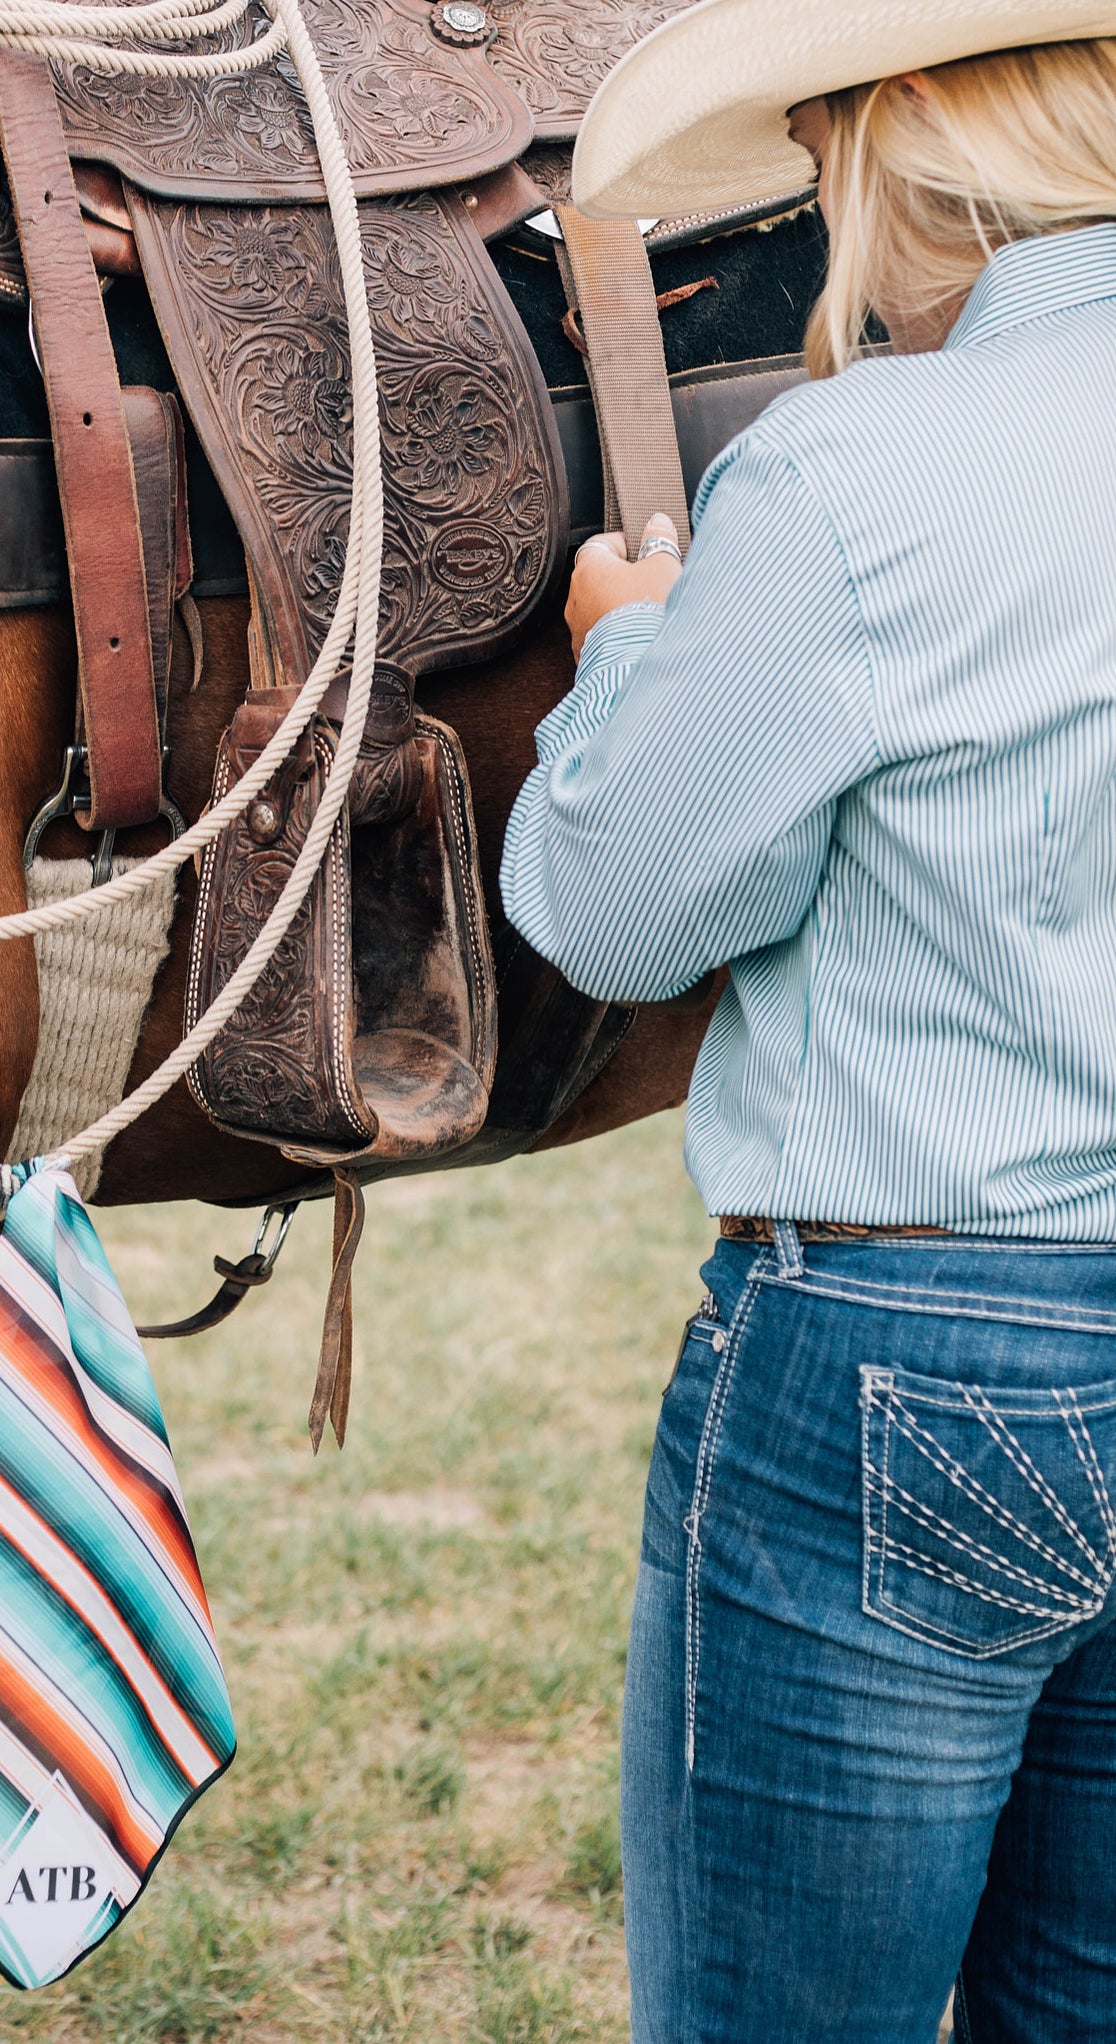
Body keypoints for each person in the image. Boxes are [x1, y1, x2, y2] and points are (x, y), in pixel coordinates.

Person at [498, 6, 1116, 2040]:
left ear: (927, 121)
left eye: (833, 125)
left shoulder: (856, 469)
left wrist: (622, 660)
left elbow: (619, 908)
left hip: (910, 1348)